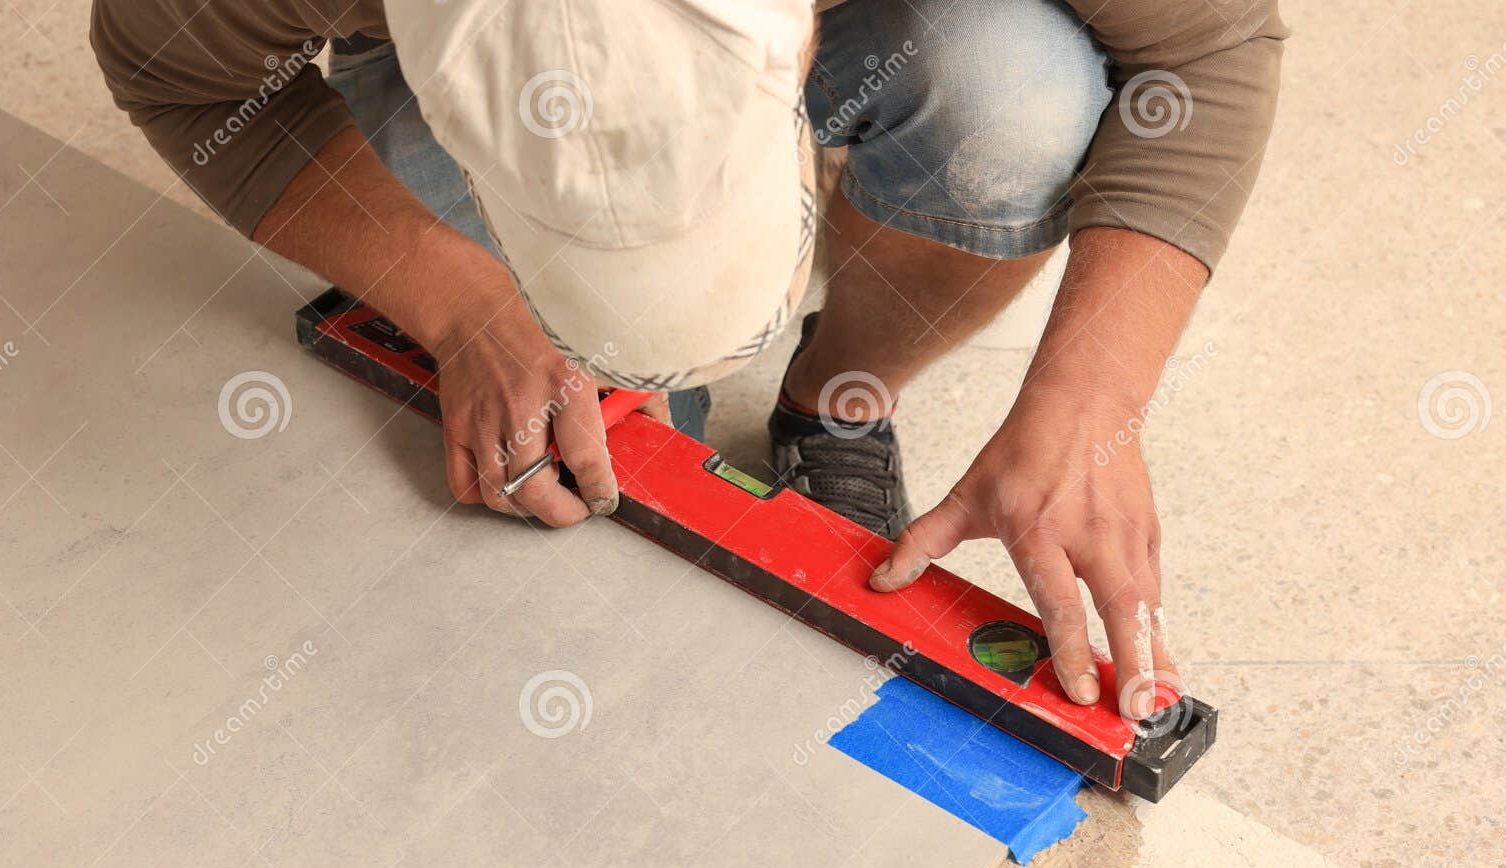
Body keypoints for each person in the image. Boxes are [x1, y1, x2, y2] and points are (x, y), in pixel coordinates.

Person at [91, 0, 1287, 716]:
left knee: (1014, 95)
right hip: (443, 63)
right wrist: (462, 306)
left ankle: (837, 406)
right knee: (611, 457)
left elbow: (1215, 47)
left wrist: (1089, 409)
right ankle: (604, 371)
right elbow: (175, 79)